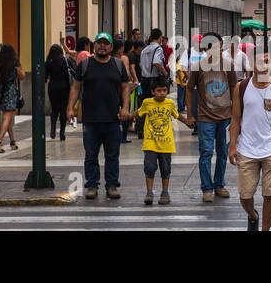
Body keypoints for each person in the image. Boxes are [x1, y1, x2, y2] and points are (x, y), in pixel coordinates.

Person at [229, 49, 271, 231]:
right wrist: (232, 146)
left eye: (267, 62)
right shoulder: (241, 87)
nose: (264, 65)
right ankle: (252, 215)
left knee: (270, 195)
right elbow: (235, 119)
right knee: (245, 195)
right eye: (260, 61)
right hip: (247, 148)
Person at [67, 32, 132, 200]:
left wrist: (125, 108)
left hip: (113, 118)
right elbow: (76, 87)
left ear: (111, 47)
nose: (102, 46)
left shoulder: (118, 65)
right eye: (99, 43)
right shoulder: (85, 64)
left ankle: (112, 185)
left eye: (106, 44)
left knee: (112, 155)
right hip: (90, 119)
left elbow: (125, 87)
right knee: (91, 155)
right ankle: (92, 185)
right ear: (94, 45)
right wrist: (70, 108)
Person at [186, 33, 238, 202]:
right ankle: (207, 188)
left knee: (223, 152)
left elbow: (233, 89)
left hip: (225, 117)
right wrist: (189, 114)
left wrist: (236, 115)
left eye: (218, 46)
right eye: (212, 47)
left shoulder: (228, 65)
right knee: (206, 152)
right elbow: (189, 89)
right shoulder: (197, 66)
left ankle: (219, 185)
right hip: (205, 117)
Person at [137, 78, 195, 206]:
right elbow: (138, 112)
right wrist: (126, 116)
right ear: (153, 91)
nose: (162, 93)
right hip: (150, 143)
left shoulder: (169, 103)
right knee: (149, 167)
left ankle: (165, 192)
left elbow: (177, 115)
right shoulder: (147, 103)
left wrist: (188, 122)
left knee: (165, 169)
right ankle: (149, 192)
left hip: (166, 144)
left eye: (164, 90)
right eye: (159, 91)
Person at [44, 44, 71, 142]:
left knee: (54, 109)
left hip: (52, 87)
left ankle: (53, 129)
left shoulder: (48, 61)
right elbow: (66, 75)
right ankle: (62, 132)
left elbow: (45, 76)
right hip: (63, 86)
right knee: (63, 110)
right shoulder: (63, 60)